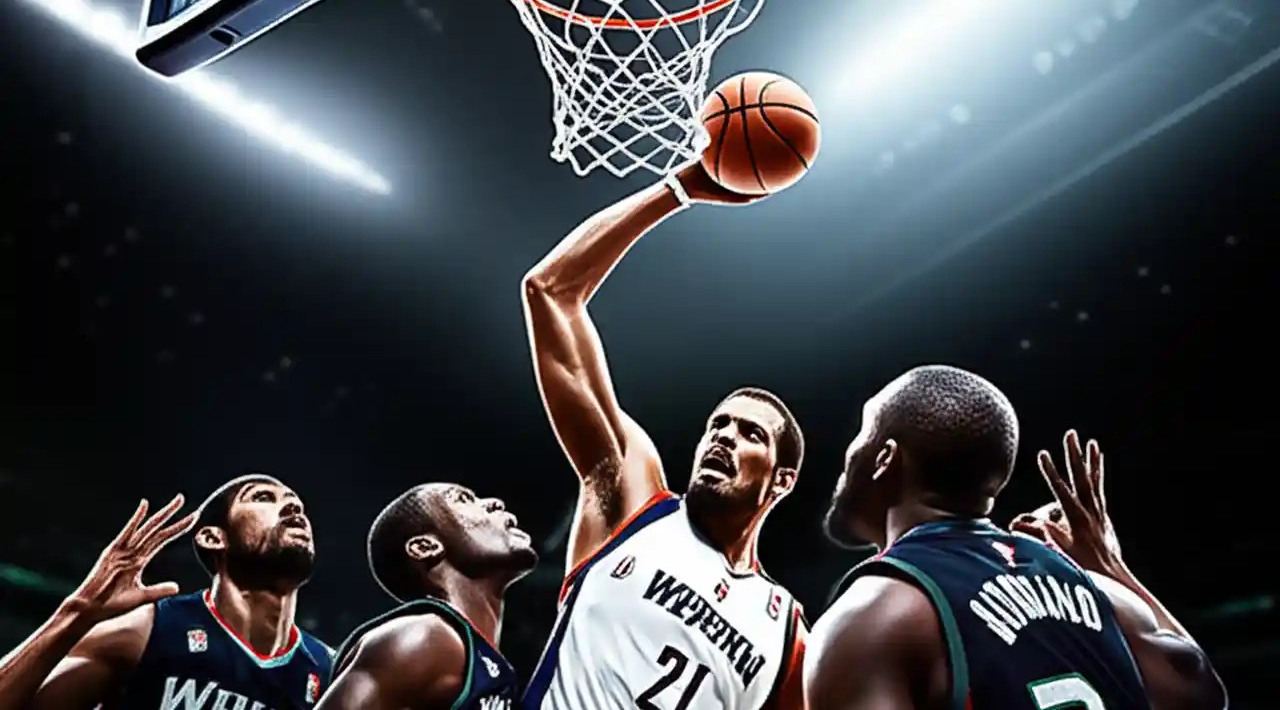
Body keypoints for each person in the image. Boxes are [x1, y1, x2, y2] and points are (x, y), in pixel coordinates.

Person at [519, 162, 806, 710]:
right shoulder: (634, 504)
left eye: (750, 433)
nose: (723, 436)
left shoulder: (786, 632)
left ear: (782, 480)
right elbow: (549, 291)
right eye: (717, 424)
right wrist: (678, 190)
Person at [803, 365, 1227, 710]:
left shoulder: (872, 616)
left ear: (885, 459)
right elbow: (1203, 692)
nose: (849, 453)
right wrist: (1110, 569)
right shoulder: (1101, 593)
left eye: (862, 433)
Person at [0, 474, 334, 710]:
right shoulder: (146, 631)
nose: (293, 510)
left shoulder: (329, 671)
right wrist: (77, 612)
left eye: (297, 505)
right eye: (262, 498)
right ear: (213, 538)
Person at [316, 483, 537, 710]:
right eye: (462, 499)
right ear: (425, 547)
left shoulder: (482, 663)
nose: (494, 503)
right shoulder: (424, 637)